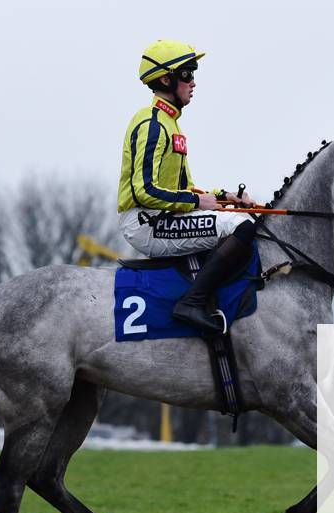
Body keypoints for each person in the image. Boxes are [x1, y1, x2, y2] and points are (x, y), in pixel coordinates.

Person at [117, 39, 256, 334]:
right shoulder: (152, 124)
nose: (193, 82)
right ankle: (191, 303)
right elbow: (145, 190)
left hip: (162, 216)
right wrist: (196, 204)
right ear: (167, 79)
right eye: (188, 73)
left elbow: (185, 187)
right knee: (241, 228)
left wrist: (225, 196)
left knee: (247, 218)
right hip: (145, 222)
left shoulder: (171, 124)